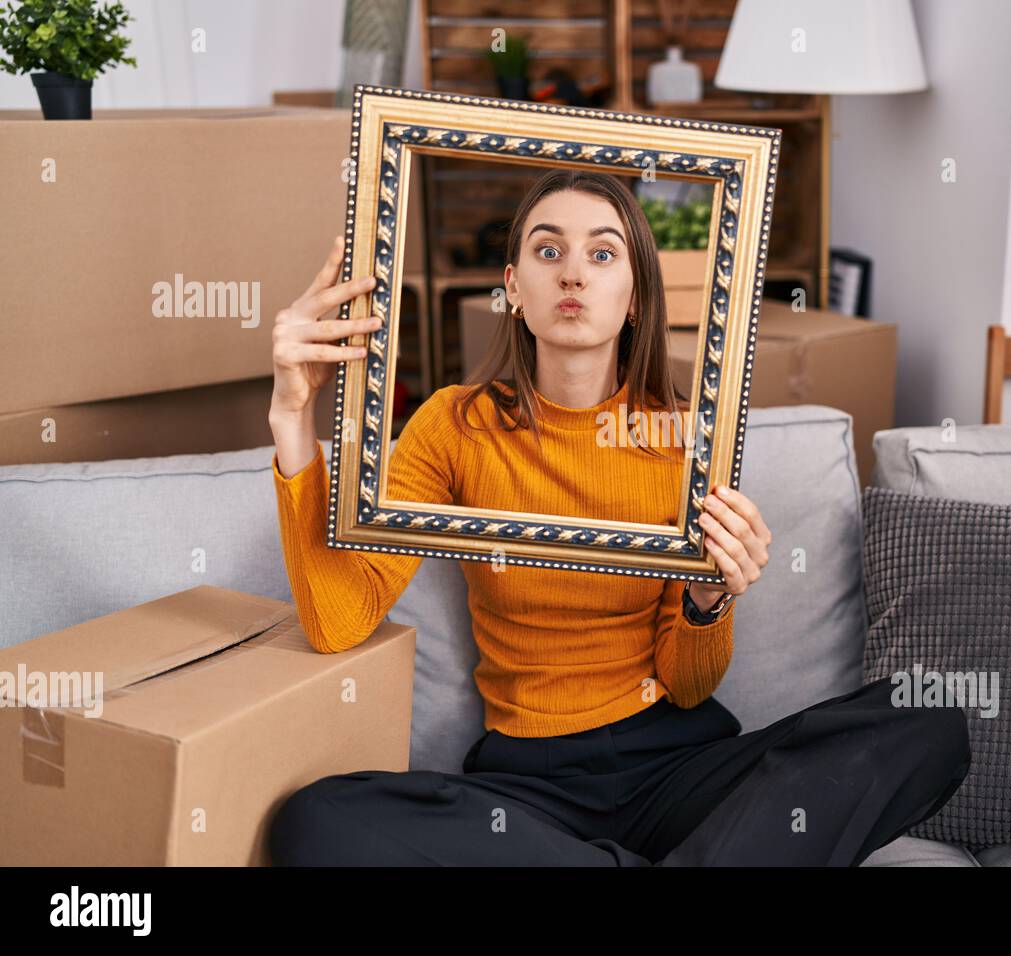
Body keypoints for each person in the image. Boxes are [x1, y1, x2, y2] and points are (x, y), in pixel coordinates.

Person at [265, 168, 970, 866]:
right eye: (548, 251)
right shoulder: (455, 425)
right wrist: (293, 419)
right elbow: (339, 620)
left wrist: (707, 600)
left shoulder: (687, 439)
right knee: (315, 819)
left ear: (635, 296)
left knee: (930, 725)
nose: (573, 274)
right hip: (528, 790)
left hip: (679, 772)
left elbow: (690, 682)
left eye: (602, 254)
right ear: (513, 286)